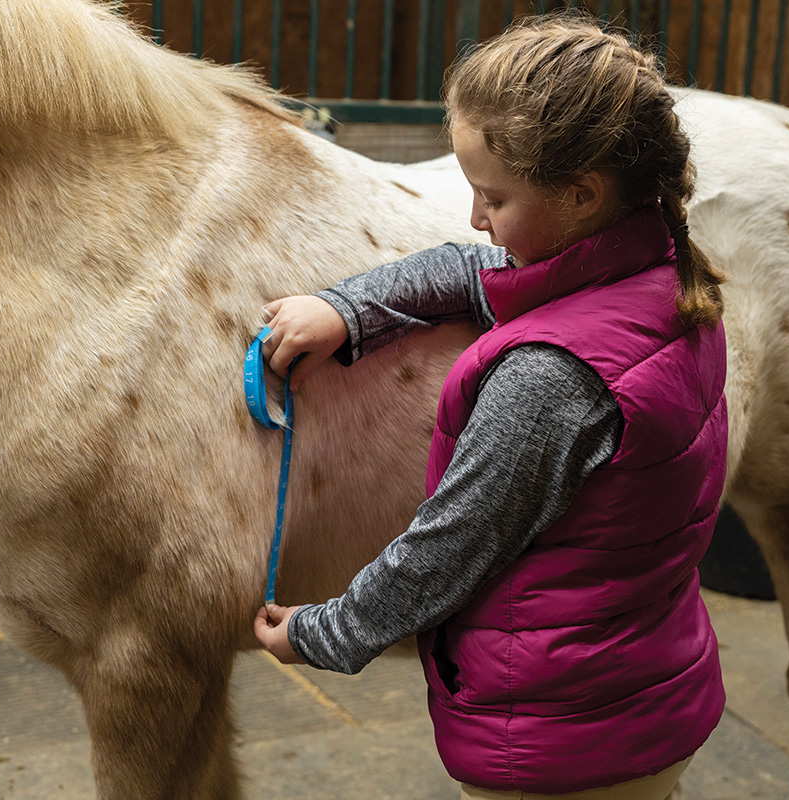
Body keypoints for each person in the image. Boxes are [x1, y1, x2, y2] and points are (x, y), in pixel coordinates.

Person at [253, 14, 728, 800]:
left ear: (581, 195)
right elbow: (478, 270)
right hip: (646, 696)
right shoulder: (663, 275)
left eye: (494, 197)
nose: (477, 218)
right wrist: (349, 308)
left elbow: (450, 545)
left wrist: (325, 631)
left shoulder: (551, 379)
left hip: (554, 742)